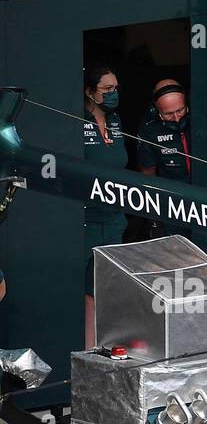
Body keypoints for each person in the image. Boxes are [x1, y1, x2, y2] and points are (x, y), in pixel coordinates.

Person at [83, 64, 127, 347]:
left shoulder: (116, 121)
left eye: (116, 88)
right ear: (90, 91)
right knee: (87, 291)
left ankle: (110, 350)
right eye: (107, 89)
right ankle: (88, 351)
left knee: (109, 288)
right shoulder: (75, 120)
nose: (113, 93)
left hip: (113, 218)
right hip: (86, 219)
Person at [138, 80, 193, 238]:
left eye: (180, 110)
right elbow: (147, 174)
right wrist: (154, 218)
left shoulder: (201, 114)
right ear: (157, 111)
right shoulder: (149, 128)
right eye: (169, 114)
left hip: (206, 198)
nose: (176, 118)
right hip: (172, 203)